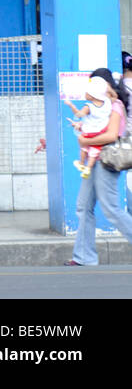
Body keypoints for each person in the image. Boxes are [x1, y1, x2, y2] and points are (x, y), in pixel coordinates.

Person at [68, 68, 132, 266]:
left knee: (111, 209)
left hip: (107, 159)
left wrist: (85, 142)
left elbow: (112, 135)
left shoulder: (116, 105)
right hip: (95, 160)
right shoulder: (100, 105)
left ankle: (84, 256)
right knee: (83, 206)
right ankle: (84, 257)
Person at [66, 80, 115, 178]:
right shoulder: (108, 103)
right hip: (101, 133)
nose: (85, 94)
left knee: (84, 147)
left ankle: (82, 163)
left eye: (87, 92)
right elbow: (115, 97)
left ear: (92, 95)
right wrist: (107, 87)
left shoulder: (89, 106)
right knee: (94, 150)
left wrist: (71, 105)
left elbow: (79, 114)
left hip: (89, 133)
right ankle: (88, 168)